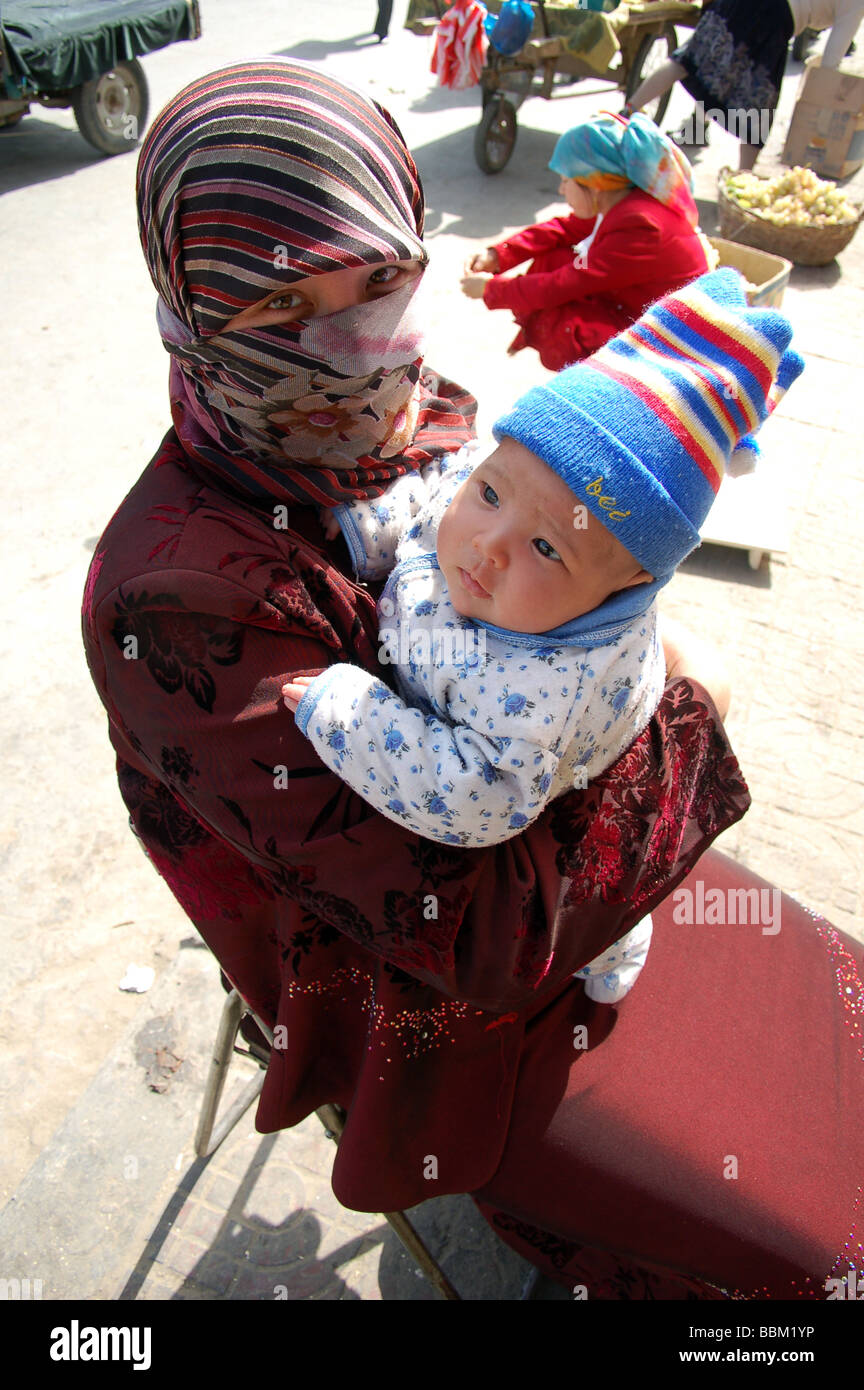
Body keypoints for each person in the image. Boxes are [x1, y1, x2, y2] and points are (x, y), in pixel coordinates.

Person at [82, 60, 863, 1299]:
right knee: (799, 1257)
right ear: (196, 301)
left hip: (581, 872)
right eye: (294, 312)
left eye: (386, 281)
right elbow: (475, 934)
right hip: (419, 995)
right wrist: (685, 709)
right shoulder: (180, 600)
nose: (362, 349)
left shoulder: (408, 404)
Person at [282, 268, 803, 1006]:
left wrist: (353, 714)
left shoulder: (542, 697)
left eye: (548, 549)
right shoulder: (502, 503)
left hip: (559, 784)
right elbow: (440, 495)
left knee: (592, 851)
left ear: (624, 588)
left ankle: (619, 943)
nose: (488, 544)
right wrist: (364, 530)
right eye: (492, 492)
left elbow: (475, 799)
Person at [460, 112, 711, 371]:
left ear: (595, 184)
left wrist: (491, 290)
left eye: (566, 181)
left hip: (672, 341)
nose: (560, 190)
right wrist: (498, 255)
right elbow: (563, 229)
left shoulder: (639, 224)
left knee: (560, 311)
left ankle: (600, 385)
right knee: (552, 257)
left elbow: (566, 283)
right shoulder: (622, 199)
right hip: (646, 307)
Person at [625, 0, 864, 172]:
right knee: (759, 107)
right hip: (774, 16)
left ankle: (627, 112)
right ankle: (744, 177)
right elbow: (830, 62)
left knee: (688, 59)